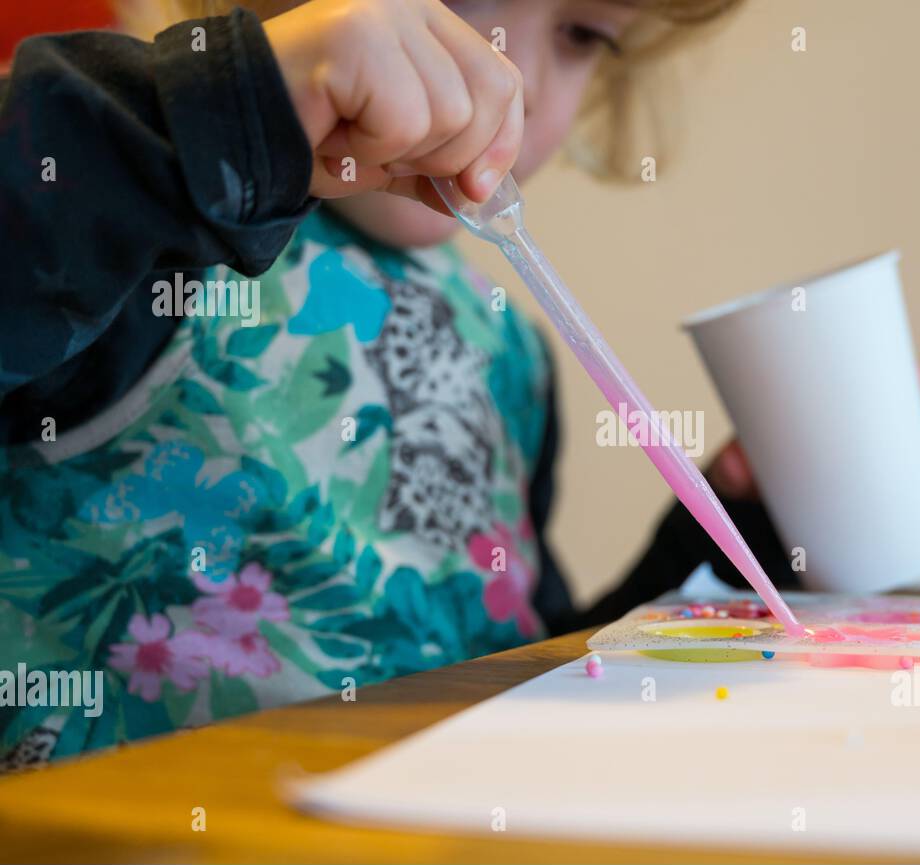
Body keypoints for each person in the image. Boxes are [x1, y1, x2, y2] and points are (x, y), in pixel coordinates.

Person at [0, 0, 793, 770]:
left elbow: (513, 674)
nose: (509, 72)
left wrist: (726, 534)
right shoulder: (145, 234)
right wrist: (238, 111)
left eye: (582, 34)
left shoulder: (505, 347)